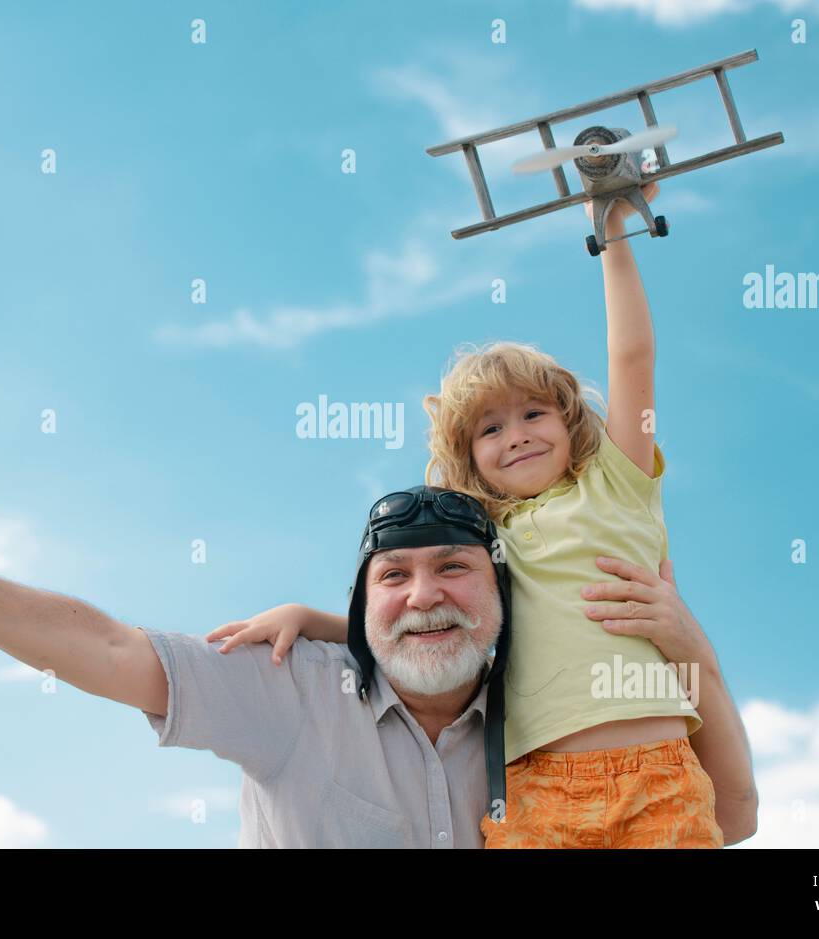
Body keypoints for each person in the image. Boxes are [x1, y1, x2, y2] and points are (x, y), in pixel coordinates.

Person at [0, 482, 756, 847]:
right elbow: (103, 646)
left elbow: (733, 816)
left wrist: (686, 642)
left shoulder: (547, 728)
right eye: (394, 578)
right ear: (360, 606)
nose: (424, 596)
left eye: (455, 570)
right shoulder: (286, 689)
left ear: (505, 603)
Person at [208, 184, 740, 847]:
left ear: (572, 423)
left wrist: (610, 231)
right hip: (536, 782)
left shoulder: (617, 484)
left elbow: (634, 357)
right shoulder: (484, 542)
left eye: (533, 413)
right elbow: (427, 623)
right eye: (490, 427)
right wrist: (307, 619)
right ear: (470, 456)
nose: (515, 433)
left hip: (656, 768)